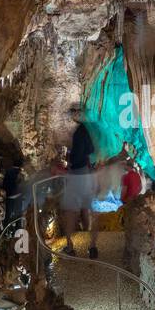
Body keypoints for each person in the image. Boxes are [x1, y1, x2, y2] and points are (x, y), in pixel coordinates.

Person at [60, 105, 100, 258]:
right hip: (88, 174)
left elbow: (76, 157)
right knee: (89, 210)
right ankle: (93, 246)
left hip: (77, 174)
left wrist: (68, 166)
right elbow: (90, 151)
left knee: (70, 211)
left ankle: (70, 246)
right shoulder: (89, 131)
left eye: (75, 112)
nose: (73, 115)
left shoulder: (79, 132)